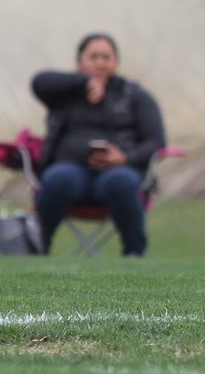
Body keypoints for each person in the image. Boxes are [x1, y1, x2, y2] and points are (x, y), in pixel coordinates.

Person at [32, 33, 166, 256]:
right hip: (72, 173)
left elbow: (156, 142)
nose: (100, 63)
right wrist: (85, 82)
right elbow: (38, 81)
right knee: (58, 178)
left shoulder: (136, 96)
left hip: (118, 172)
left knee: (120, 181)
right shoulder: (64, 93)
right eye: (93, 57)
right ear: (79, 62)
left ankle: (133, 253)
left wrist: (124, 158)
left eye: (106, 57)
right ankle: (37, 248)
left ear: (116, 62)